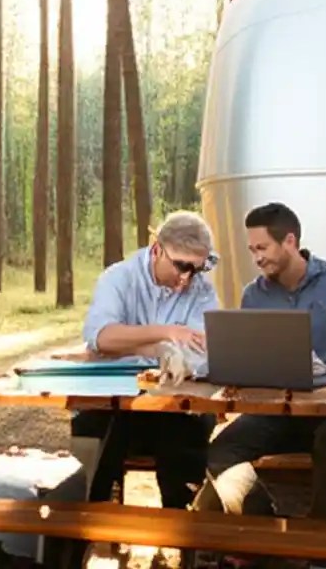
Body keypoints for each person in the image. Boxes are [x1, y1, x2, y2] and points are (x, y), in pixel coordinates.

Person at [193, 202, 326, 568]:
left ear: (290, 241)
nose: (256, 258)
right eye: (251, 250)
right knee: (219, 450)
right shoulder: (254, 295)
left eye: (261, 248)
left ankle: (324, 556)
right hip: (278, 414)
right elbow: (251, 358)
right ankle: (268, 540)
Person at [72, 209, 221, 509]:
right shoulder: (118, 278)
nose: (187, 278)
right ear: (157, 250)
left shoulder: (202, 291)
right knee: (92, 442)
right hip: (115, 403)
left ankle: (185, 535)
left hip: (175, 408)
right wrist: (166, 334)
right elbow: (101, 338)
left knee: (189, 437)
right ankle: (83, 531)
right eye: (181, 266)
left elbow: (203, 351)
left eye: (197, 268)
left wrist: (137, 345)